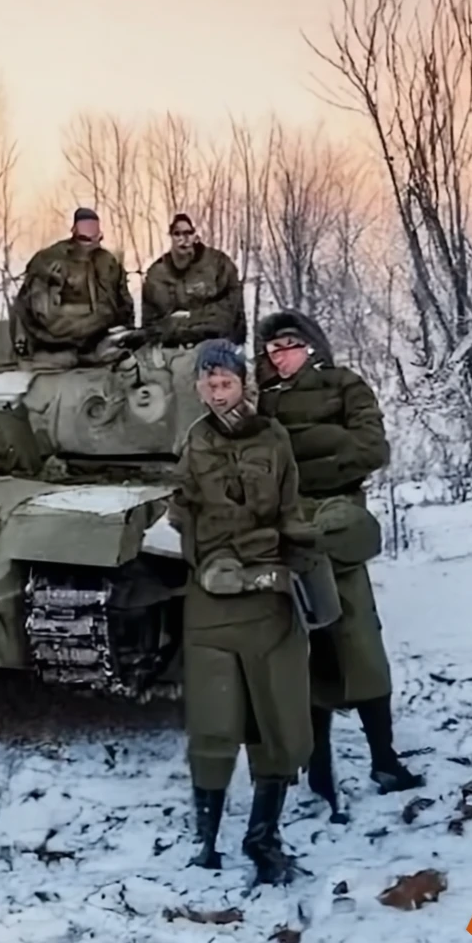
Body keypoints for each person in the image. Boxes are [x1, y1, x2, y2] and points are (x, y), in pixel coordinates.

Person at [254, 309, 424, 820]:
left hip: (337, 518)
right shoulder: (263, 402)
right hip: (288, 528)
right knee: (308, 646)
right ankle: (319, 765)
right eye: (270, 350)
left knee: (359, 639)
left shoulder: (345, 385)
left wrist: (308, 468)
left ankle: (384, 758)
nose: (278, 356)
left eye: (286, 345)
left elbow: (371, 449)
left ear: (309, 345)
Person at [167, 338, 320, 885]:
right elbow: (181, 509)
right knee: (212, 722)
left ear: (243, 383)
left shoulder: (273, 438)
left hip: (269, 597)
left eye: (225, 381)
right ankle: (205, 842)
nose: (216, 390)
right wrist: (206, 560)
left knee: (276, 720)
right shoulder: (195, 441)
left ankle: (264, 836)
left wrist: (305, 565)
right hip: (212, 598)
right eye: (208, 383)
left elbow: (289, 508)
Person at [10, 207, 134, 365]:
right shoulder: (51, 261)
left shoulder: (108, 262)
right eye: (86, 238)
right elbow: (46, 318)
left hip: (104, 346)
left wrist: (120, 330)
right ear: (74, 231)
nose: (92, 244)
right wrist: (97, 320)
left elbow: (125, 306)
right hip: (54, 350)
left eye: (96, 237)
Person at [141, 214, 246, 346]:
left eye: (187, 233)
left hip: (213, 344)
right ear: (171, 237)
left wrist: (192, 317)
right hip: (171, 349)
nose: (182, 239)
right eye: (177, 234)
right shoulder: (156, 274)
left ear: (195, 236)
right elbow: (149, 323)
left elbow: (232, 308)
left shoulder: (218, 264)